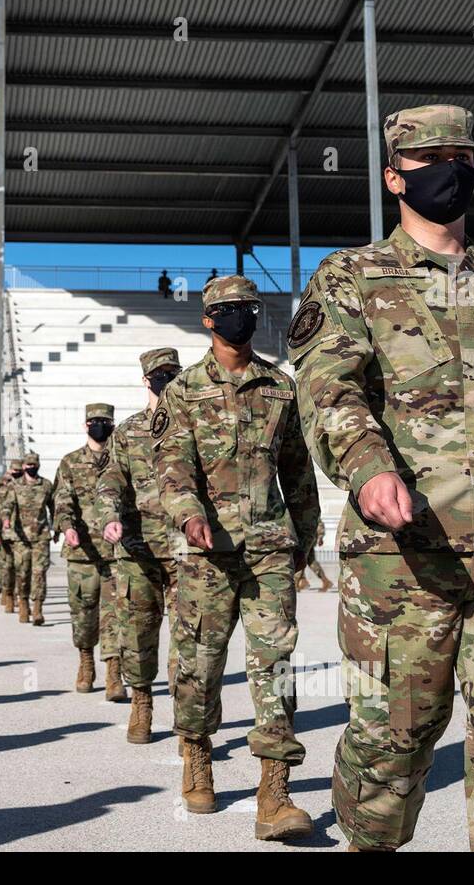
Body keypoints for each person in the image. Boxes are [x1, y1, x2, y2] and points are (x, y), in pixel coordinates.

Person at [290, 104, 474, 852]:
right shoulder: (351, 277)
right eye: (432, 162)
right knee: (394, 744)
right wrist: (367, 469)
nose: (451, 173)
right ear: (395, 177)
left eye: (463, 159)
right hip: (403, 557)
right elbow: (329, 389)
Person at [154, 274, 319, 840]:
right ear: (207, 319)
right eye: (225, 309)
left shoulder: (280, 386)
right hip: (206, 551)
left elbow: (298, 470)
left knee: (275, 660)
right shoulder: (182, 390)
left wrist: (307, 537)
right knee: (200, 663)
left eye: (246, 308)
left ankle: (275, 789)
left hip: (270, 545)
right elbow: (171, 465)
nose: (238, 316)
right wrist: (188, 513)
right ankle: (196, 751)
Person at [98, 347, 183, 743]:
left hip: (188, 548)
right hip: (137, 547)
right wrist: (110, 515)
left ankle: (188, 722)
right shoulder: (127, 431)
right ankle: (142, 702)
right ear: (146, 380)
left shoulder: (193, 424)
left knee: (191, 637)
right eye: (160, 374)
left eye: (173, 373)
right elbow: (111, 479)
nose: (166, 379)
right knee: (138, 632)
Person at [54, 404, 124, 697]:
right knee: (83, 614)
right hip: (82, 552)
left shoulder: (122, 459)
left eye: (105, 422)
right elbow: (62, 500)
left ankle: (114, 674)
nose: (100, 426)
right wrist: (67, 527)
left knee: (117, 615)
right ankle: (85, 662)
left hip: (117, 551)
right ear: (86, 425)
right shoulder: (70, 462)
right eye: (95, 421)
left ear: (112, 425)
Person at [3, 451, 54, 624]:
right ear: (24, 466)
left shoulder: (46, 485)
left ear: (38, 465)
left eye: (34, 465)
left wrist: (58, 528)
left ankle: (38, 609)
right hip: (21, 537)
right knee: (23, 573)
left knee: (39, 573)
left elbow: (54, 507)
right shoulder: (15, 486)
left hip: (41, 536)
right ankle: (23, 603)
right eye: (28, 465)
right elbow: (8, 505)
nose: (31, 468)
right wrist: (5, 520)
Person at [0, 457, 22, 612]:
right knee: (7, 567)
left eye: (19, 471)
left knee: (20, 568)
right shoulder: (3, 491)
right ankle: (8, 593)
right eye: (14, 471)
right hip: (6, 534)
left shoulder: (26, 487)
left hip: (22, 535)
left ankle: (18, 596)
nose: (17, 473)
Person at [294, 517, 333, 593]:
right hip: (305, 537)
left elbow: (318, 521)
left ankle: (295, 583)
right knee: (311, 560)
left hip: (306, 538)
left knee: (300, 558)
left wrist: (320, 537)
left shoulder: (307, 506)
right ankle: (325, 581)